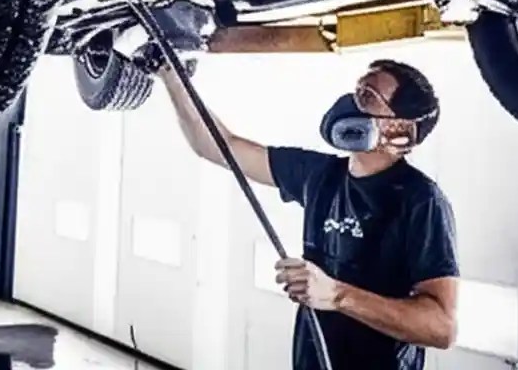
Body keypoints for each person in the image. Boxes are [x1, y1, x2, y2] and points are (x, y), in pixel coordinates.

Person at [157, 53, 459, 370]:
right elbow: (219, 146)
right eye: (356, 89)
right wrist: (170, 75)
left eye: (367, 96)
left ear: (399, 130)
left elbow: (442, 328)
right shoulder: (319, 175)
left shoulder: (421, 200)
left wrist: (337, 295)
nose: (351, 102)